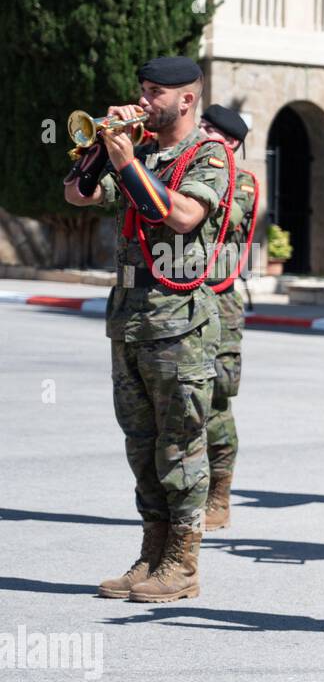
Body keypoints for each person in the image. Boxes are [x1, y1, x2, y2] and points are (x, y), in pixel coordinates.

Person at [64, 56, 233, 603]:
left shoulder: (208, 154)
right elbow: (78, 195)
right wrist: (98, 151)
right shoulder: (141, 151)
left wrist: (129, 163)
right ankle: (152, 552)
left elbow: (182, 216)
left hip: (180, 321)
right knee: (141, 444)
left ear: (186, 99)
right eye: (142, 89)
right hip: (130, 317)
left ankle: (182, 565)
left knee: (179, 446)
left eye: (156, 92)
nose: (144, 100)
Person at [197, 103, 259, 531]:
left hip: (220, 302)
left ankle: (220, 492)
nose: (199, 133)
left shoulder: (243, 182)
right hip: (178, 300)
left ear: (231, 142)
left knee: (217, 400)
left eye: (207, 129)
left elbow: (225, 214)